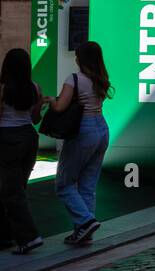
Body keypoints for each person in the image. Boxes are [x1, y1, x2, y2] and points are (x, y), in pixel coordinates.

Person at [46, 41, 112, 245]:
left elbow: (60, 107)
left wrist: (49, 100)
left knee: (64, 183)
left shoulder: (74, 79)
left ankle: (85, 221)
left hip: (83, 131)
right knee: (87, 185)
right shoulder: (100, 78)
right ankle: (84, 233)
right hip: (101, 128)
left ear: (80, 59)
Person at [0, 48, 44, 255]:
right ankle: (7, 234)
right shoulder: (35, 88)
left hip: (7, 139)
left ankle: (29, 237)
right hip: (29, 138)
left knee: (11, 191)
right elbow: (35, 119)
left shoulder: (3, 88)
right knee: (17, 188)